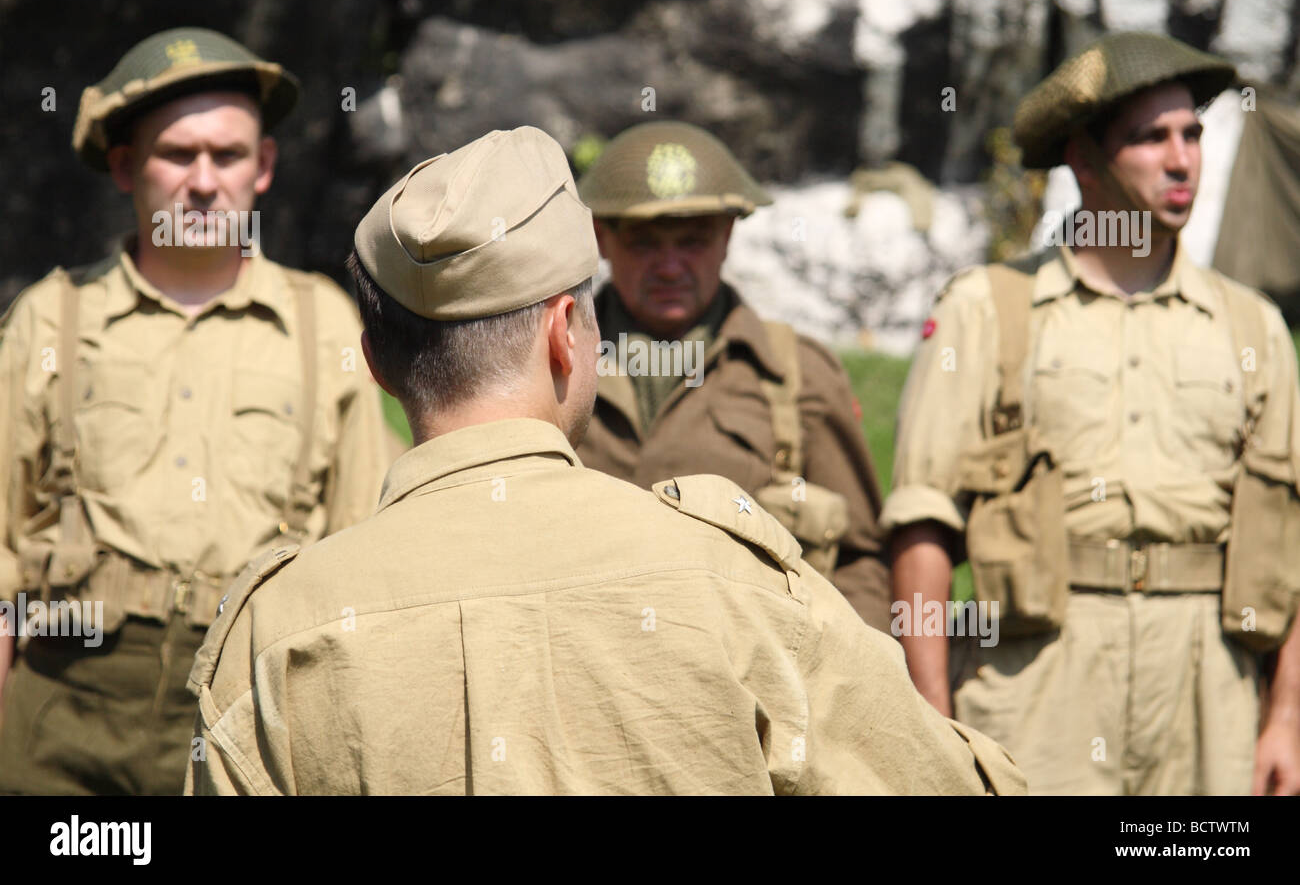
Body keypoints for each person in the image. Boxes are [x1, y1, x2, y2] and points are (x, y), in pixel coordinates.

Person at [185, 126, 1026, 795]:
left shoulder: (273, 632)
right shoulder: (738, 586)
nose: (670, 261)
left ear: (374, 361)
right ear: (565, 335)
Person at [885, 30, 1300, 795]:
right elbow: (922, 527)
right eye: (1150, 138)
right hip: (1038, 685)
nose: (1183, 160)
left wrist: (1285, 721)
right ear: (1082, 157)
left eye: (1193, 134)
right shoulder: (988, 311)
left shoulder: (1254, 328)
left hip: (1210, 688)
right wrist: (931, 728)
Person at [0, 27, 389, 794]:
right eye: (177, 154)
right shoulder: (52, 317)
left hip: (252, 709)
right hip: (68, 710)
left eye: (229, 154)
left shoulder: (325, 325)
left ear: (265, 168)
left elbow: (361, 564)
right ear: (124, 167)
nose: (204, 181)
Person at [575, 121, 892, 633]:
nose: (670, 266)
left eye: (693, 241)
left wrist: (849, 690)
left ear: (728, 235)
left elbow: (862, 562)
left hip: (755, 696)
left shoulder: (796, 375)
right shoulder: (553, 369)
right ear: (601, 239)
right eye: (644, 242)